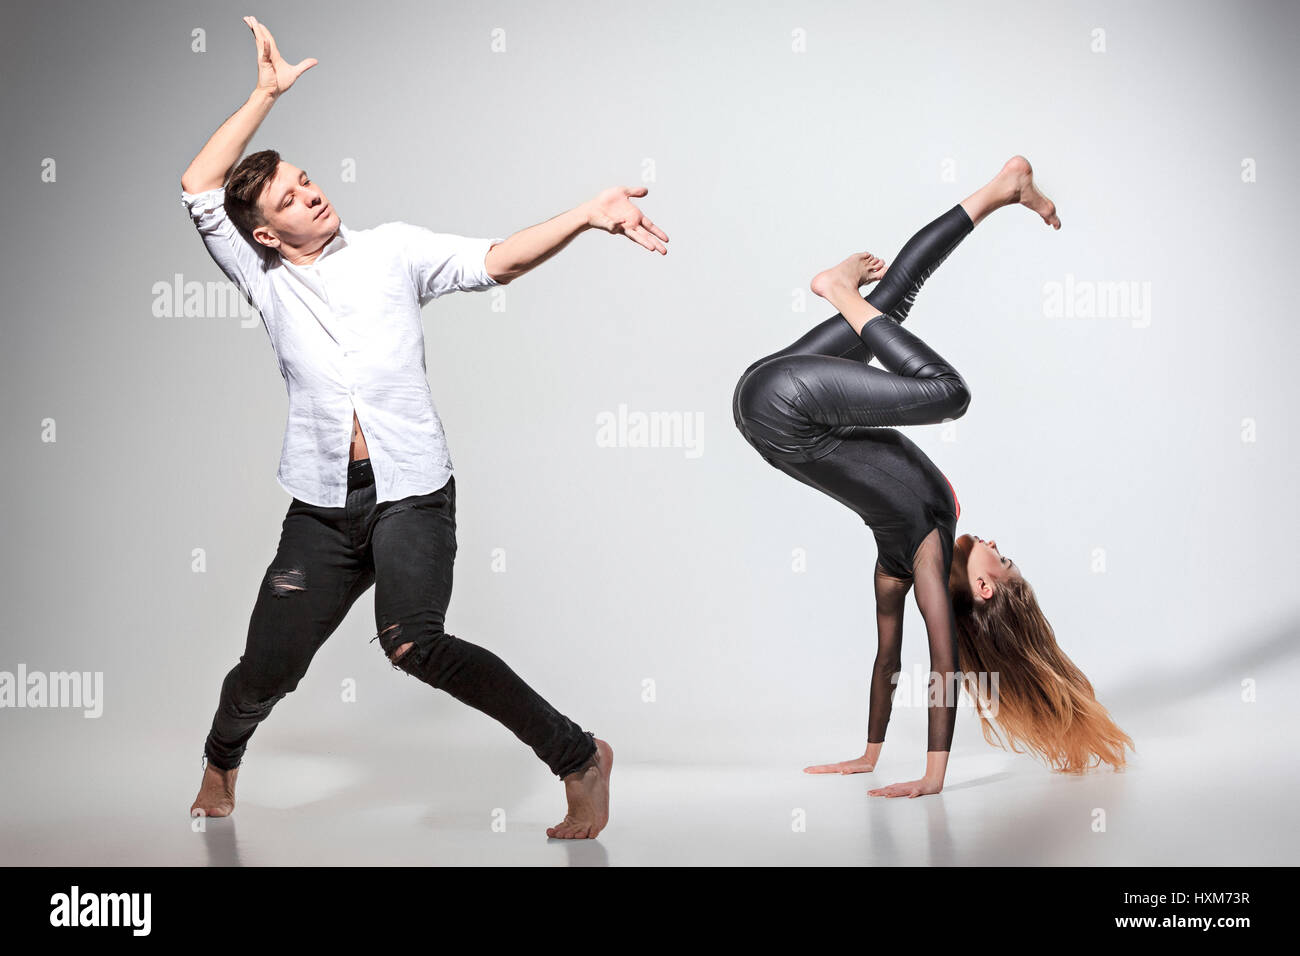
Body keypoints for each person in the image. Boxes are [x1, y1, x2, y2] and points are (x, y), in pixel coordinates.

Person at [183, 17, 667, 838]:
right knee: (266, 669)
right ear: (267, 234)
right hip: (323, 507)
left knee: (412, 641)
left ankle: (580, 757)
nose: (312, 193)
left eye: (307, 179)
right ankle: (223, 760)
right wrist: (264, 95)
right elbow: (199, 186)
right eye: (290, 198)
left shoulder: (393, 251)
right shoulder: (262, 280)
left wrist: (588, 214)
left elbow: (498, 260)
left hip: (412, 491)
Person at [733, 156, 1133, 798]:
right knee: (893, 301)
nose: (1001, 549)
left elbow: (937, 664)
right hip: (768, 408)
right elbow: (886, 659)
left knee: (949, 394)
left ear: (982, 588)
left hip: (786, 403)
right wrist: (868, 754)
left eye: (1007, 564)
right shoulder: (894, 567)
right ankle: (1003, 190)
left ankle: (837, 289)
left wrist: (932, 775)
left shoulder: (924, 551)